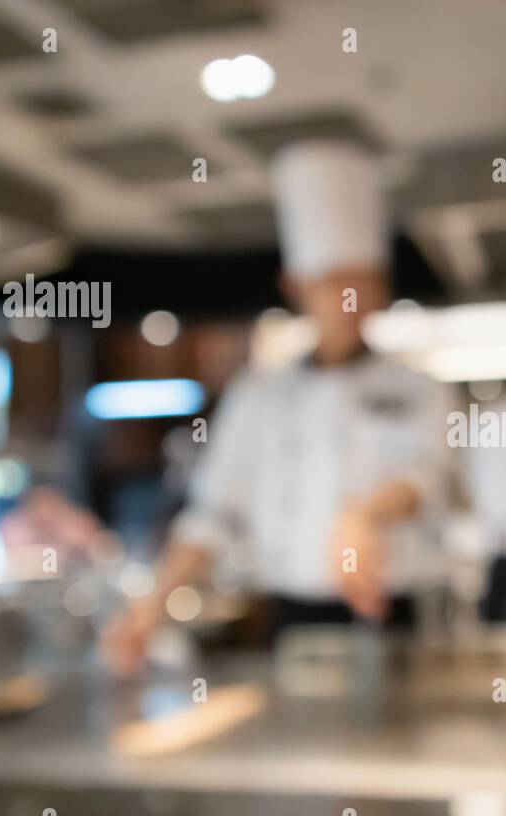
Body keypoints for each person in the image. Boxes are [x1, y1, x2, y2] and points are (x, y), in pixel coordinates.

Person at [102, 140, 452, 675]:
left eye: (361, 280)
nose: (347, 299)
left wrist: (363, 515)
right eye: (331, 282)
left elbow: (423, 474)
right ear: (296, 287)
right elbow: (212, 516)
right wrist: (150, 610)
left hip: (387, 615)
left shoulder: (419, 387)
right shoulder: (258, 394)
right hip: (291, 619)